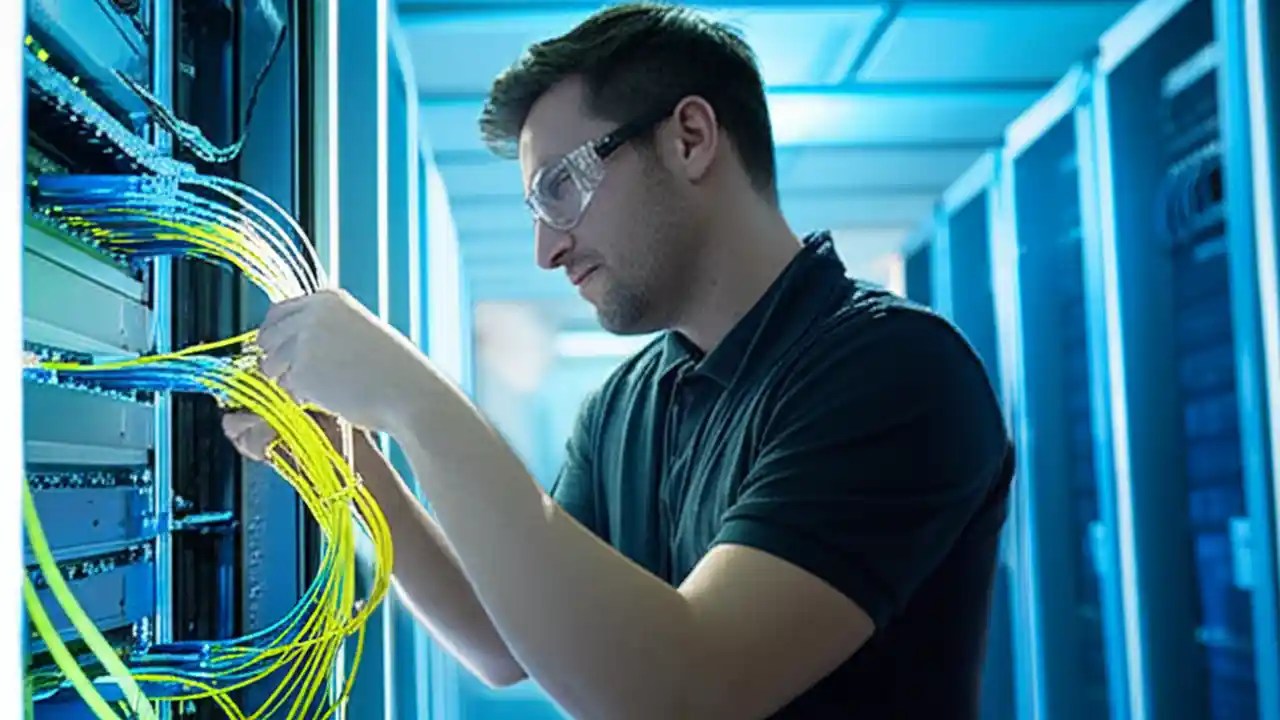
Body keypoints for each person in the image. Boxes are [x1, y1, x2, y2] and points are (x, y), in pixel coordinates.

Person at [222, 3, 1015, 718]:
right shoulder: (627, 403)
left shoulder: (892, 369)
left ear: (690, 139)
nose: (546, 248)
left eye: (560, 190)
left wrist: (415, 402)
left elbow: (688, 692)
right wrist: (345, 456)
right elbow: (502, 635)